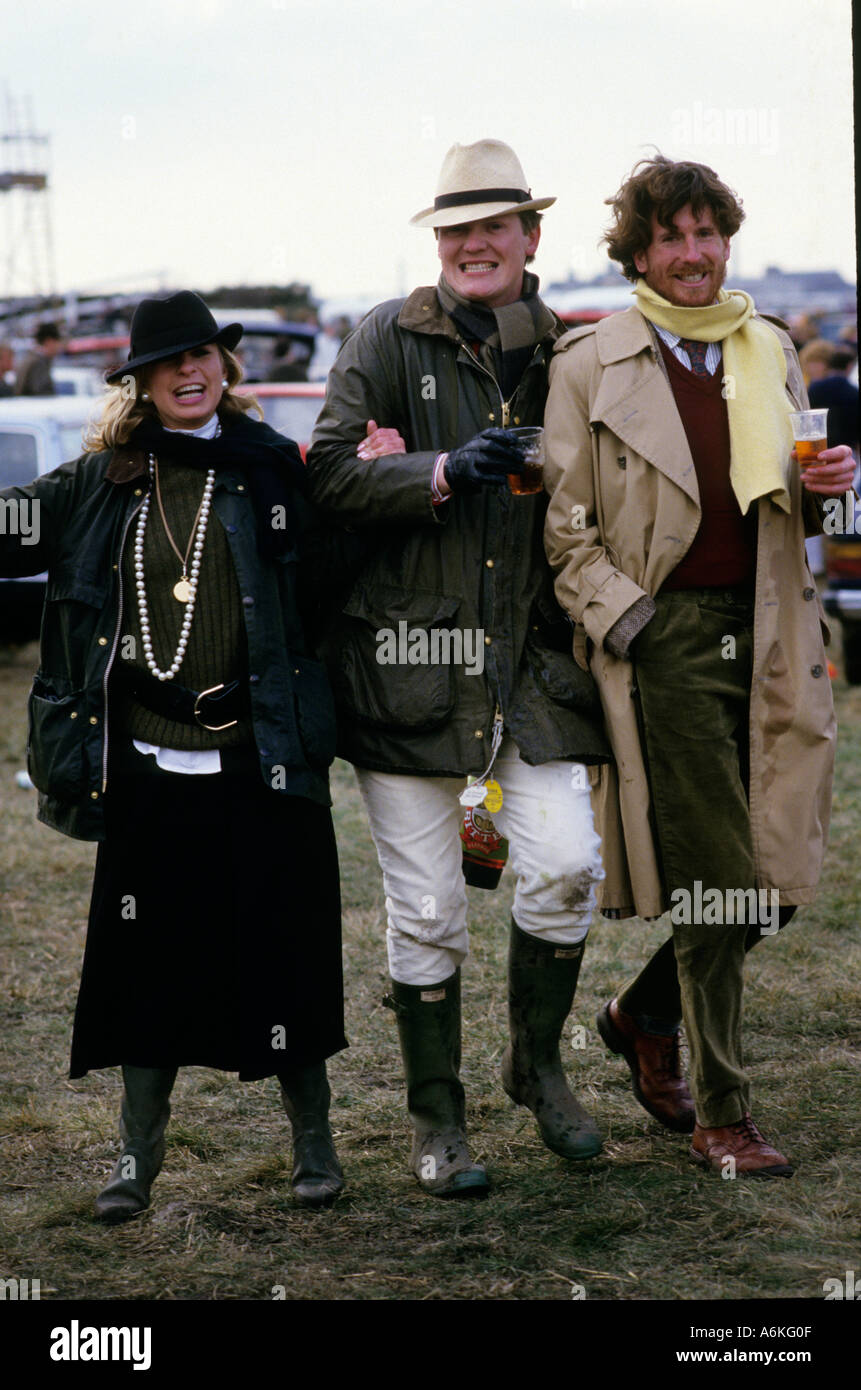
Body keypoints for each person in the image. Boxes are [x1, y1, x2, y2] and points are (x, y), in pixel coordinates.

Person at [0, 291, 348, 1219]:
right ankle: (133, 1161)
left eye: (202, 356)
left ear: (224, 367)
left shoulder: (274, 469)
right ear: (141, 382)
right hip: (148, 763)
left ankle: (313, 1146)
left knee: (285, 953)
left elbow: (335, 588)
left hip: (260, 755)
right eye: (167, 363)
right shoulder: (100, 481)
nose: (189, 373)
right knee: (145, 964)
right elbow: (7, 530)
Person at [306, 139, 611, 1199]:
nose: (474, 244)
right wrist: (436, 470)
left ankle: (537, 1066)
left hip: (529, 671)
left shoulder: (571, 351)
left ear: (532, 236)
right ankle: (439, 1122)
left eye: (495, 225)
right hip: (404, 674)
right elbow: (331, 475)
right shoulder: (382, 337)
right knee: (429, 909)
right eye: (456, 229)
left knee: (568, 863)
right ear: (438, 242)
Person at [543, 155, 856, 1177]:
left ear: (727, 239)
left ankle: (640, 1013)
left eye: (706, 232)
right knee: (720, 883)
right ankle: (724, 1115)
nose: (692, 254)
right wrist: (628, 621)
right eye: (670, 236)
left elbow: (804, 512)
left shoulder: (770, 348)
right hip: (665, 639)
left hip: (774, 635)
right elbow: (566, 530)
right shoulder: (591, 363)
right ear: (638, 249)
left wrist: (835, 491)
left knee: (779, 877)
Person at [808, 344, 860, 456]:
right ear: (849, 366)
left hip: (818, 447)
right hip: (846, 450)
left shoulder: (814, 387)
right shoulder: (852, 391)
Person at [15, 322, 62, 395]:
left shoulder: (32, 358)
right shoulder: (38, 363)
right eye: (57, 342)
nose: (59, 347)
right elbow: (40, 393)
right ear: (49, 341)